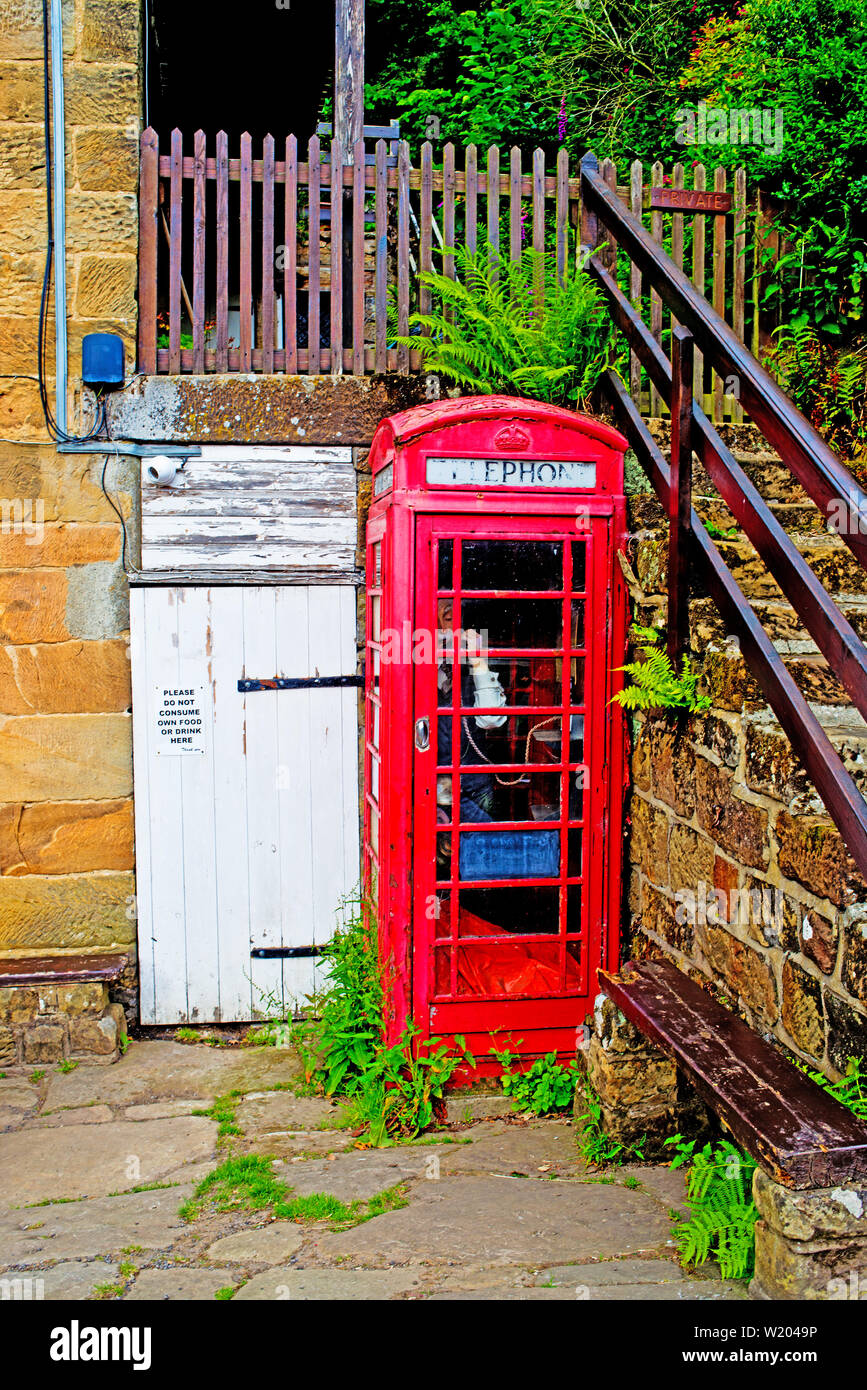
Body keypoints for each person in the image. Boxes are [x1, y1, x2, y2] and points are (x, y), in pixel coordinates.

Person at [436, 598, 507, 823]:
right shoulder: (414, 664)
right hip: (432, 789)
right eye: (441, 603)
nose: (449, 610)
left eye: (454, 604)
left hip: (477, 788)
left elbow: (491, 720)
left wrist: (479, 664)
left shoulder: (477, 663)